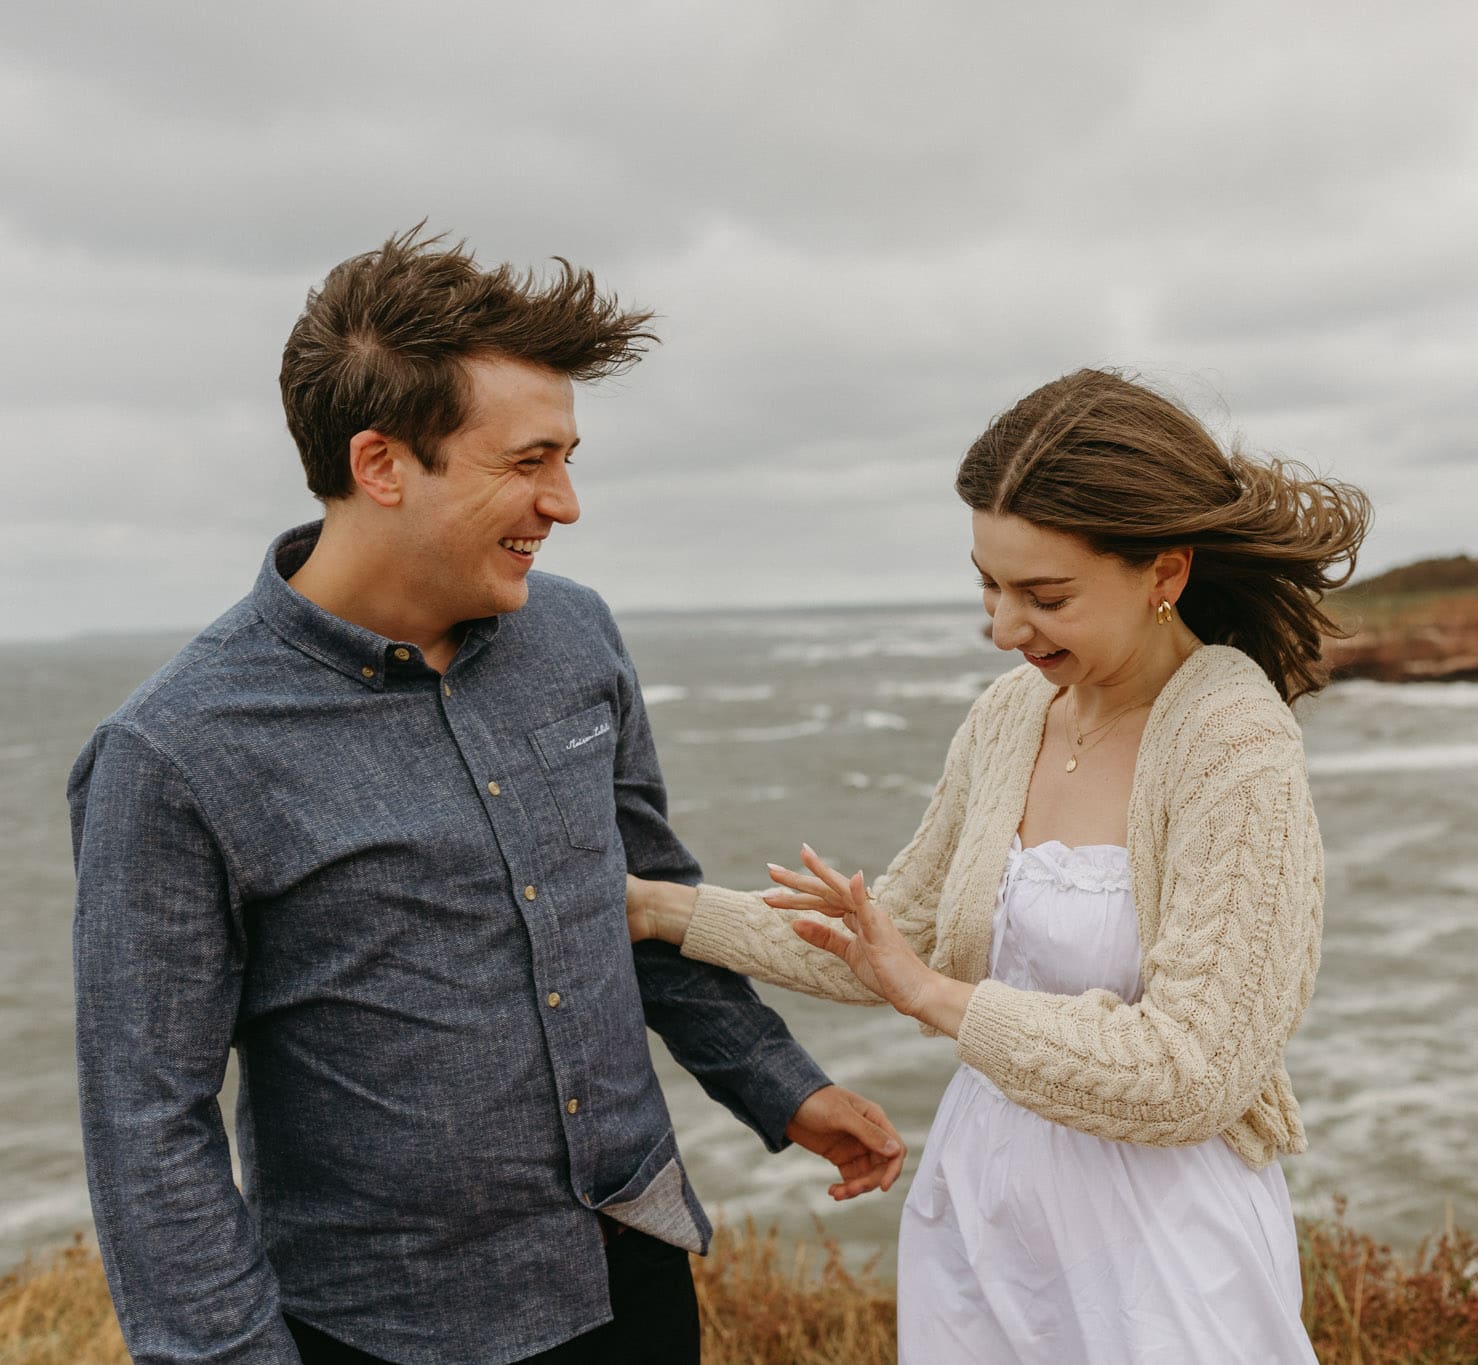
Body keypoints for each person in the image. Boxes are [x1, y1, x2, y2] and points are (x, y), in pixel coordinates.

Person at [68, 229, 904, 1365]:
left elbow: (643, 901)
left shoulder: (576, 635)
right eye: (528, 461)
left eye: (567, 457)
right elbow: (146, 1122)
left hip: (635, 1266)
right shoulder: (174, 753)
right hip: (388, 1327)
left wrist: (776, 1084)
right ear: (381, 465)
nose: (563, 501)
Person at [625, 368, 1370, 1361]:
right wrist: (658, 909)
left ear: (1163, 573)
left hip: (1158, 1243)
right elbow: (899, 934)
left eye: (1045, 595)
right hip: (987, 1206)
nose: (1003, 628)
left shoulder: (1232, 740)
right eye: (988, 584)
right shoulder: (1011, 716)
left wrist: (933, 998)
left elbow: (1195, 1074)